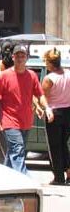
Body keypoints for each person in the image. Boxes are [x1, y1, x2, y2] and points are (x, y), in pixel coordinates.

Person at [0, 43, 51, 175]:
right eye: (17, 55)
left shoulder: (32, 76)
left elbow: (40, 94)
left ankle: (5, 179)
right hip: (9, 121)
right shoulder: (4, 76)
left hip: (26, 121)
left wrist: (47, 108)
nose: (20, 58)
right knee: (18, 150)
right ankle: (25, 180)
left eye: (22, 55)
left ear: (26, 58)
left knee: (13, 152)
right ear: (13, 57)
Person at [41, 48, 70, 185]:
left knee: (54, 146)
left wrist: (46, 109)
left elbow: (43, 97)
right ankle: (68, 172)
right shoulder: (69, 74)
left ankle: (58, 177)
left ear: (51, 64)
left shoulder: (49, 79)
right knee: (64, 144)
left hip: (54, 113)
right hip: (68, 112)